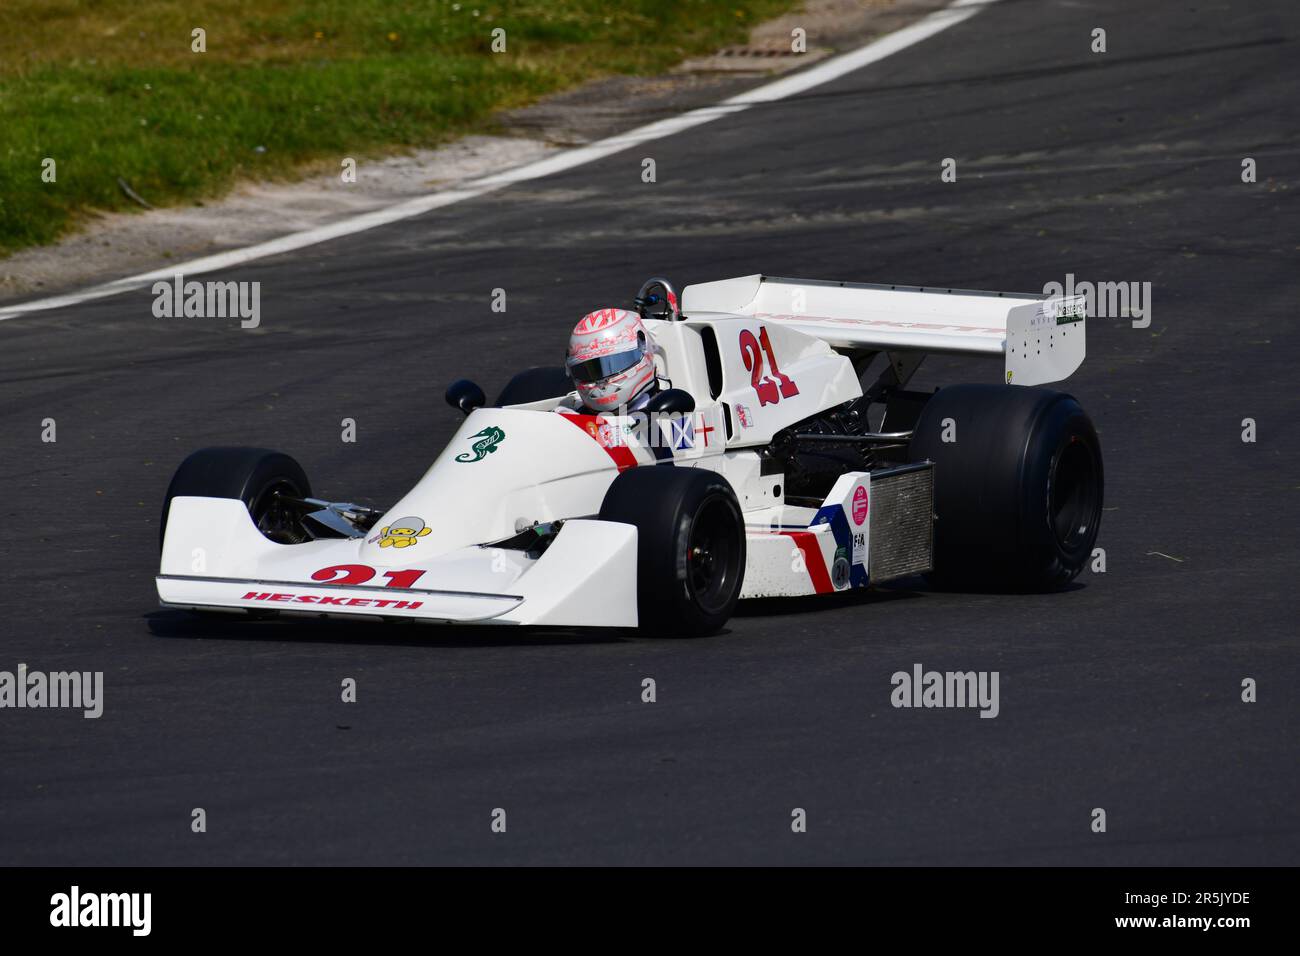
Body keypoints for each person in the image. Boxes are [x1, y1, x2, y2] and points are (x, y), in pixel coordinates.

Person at [559, 308, 660, 414]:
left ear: (644, 348)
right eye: (589, 371)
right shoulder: (569, 415)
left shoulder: (669, 415)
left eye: (618, 362)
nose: (601, 383)